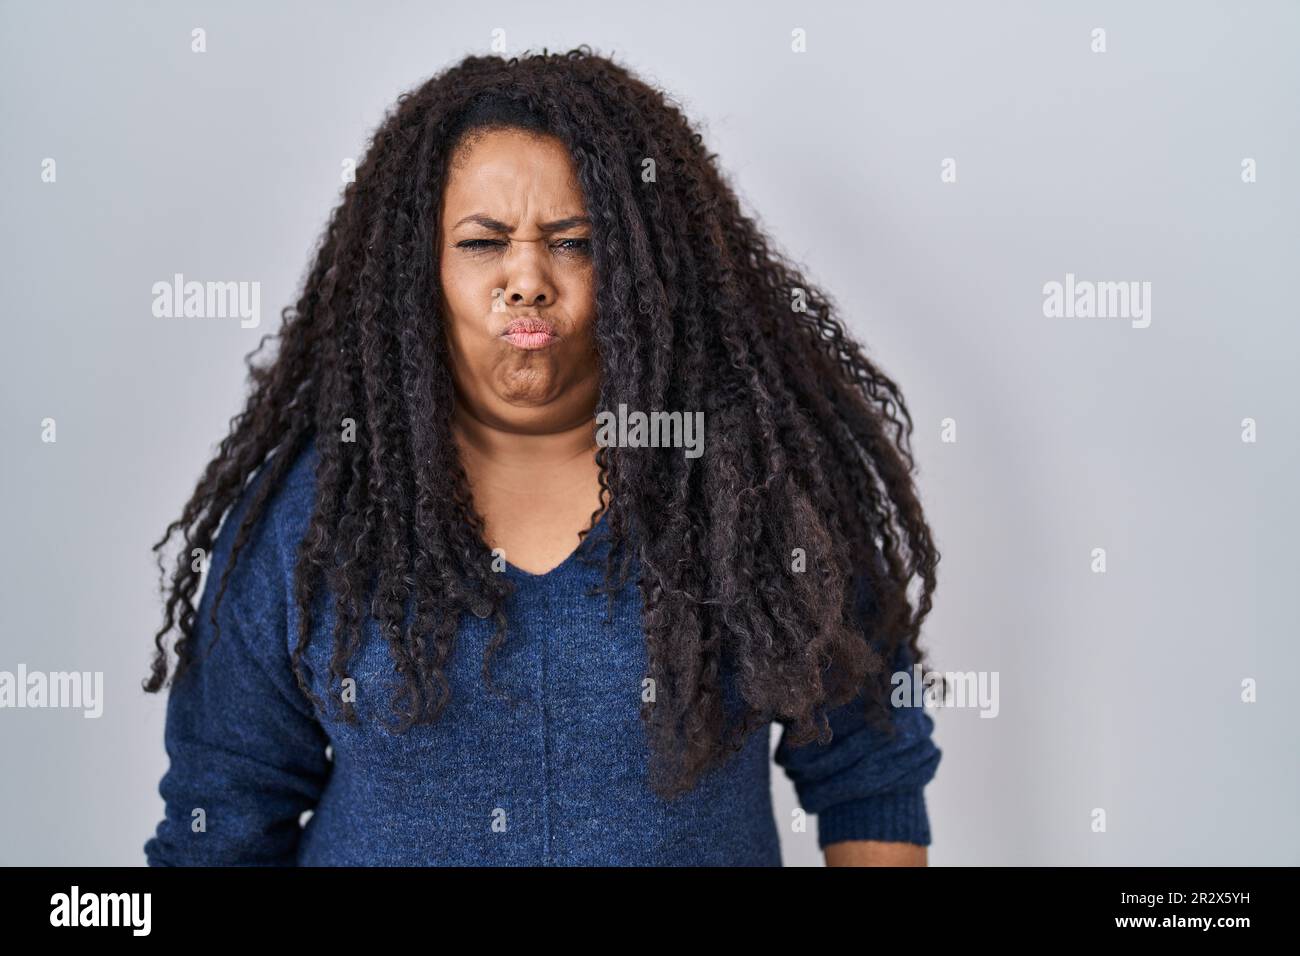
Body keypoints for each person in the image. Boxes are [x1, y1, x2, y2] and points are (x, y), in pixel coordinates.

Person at [142, 45, 943, 867]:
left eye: (573, 243)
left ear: (643, 269)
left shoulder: (754, 494)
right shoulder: (310, 517)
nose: (526, 279)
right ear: (420, 272)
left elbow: (869, 770)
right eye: (484, 243)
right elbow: (222, 818)